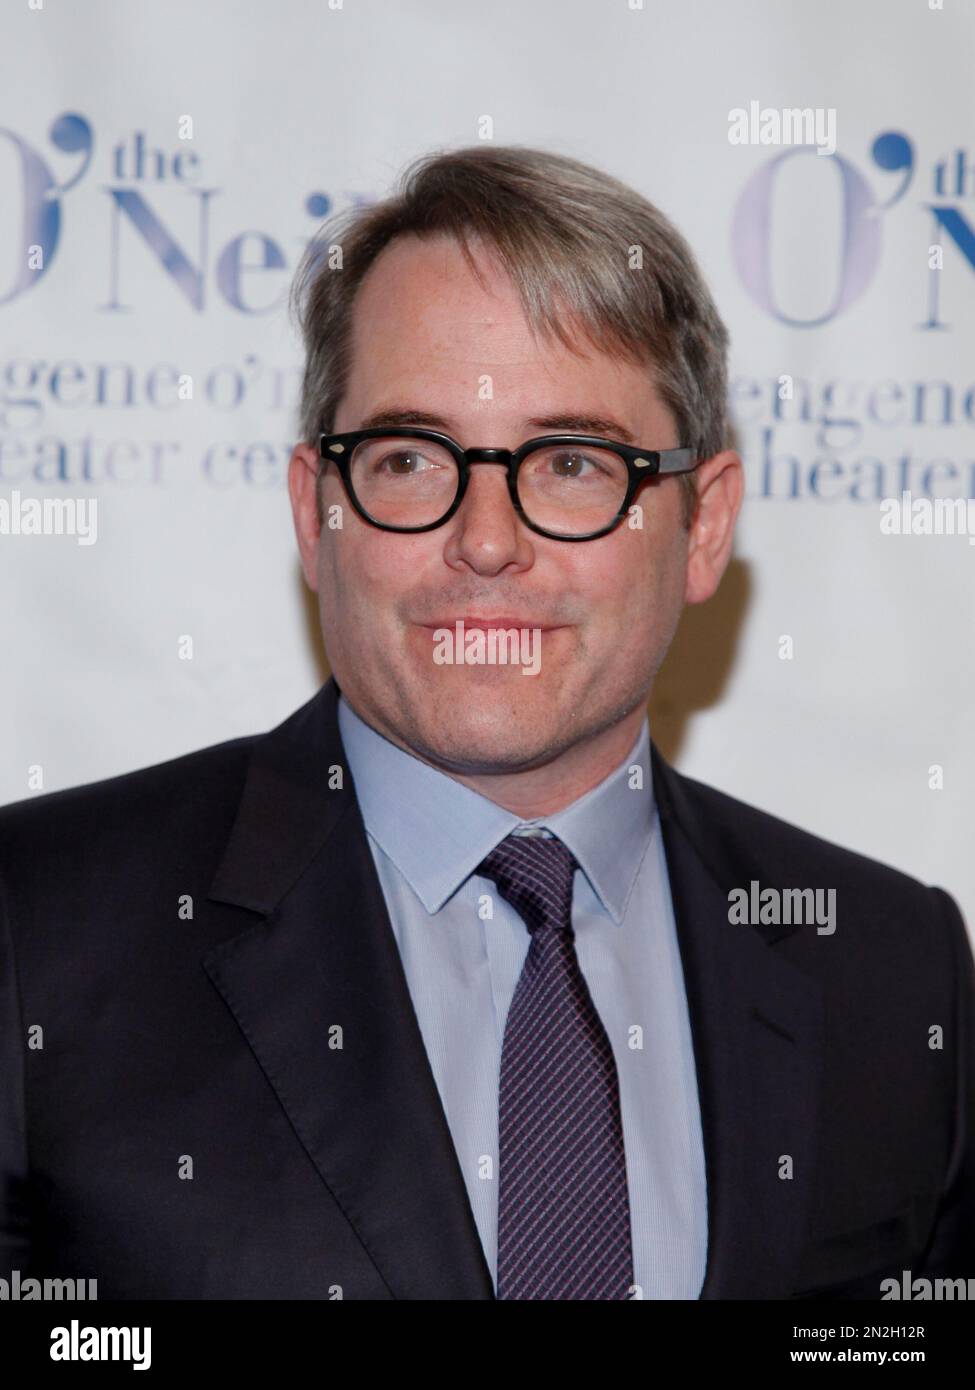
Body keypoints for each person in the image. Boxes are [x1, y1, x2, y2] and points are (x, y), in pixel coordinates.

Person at [1, 146, 972, 1301]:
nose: (488, 539)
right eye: (412, 459)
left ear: (703, 527)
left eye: (571, 463)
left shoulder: (889, 972)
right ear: (318, 516)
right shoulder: (34, 930)